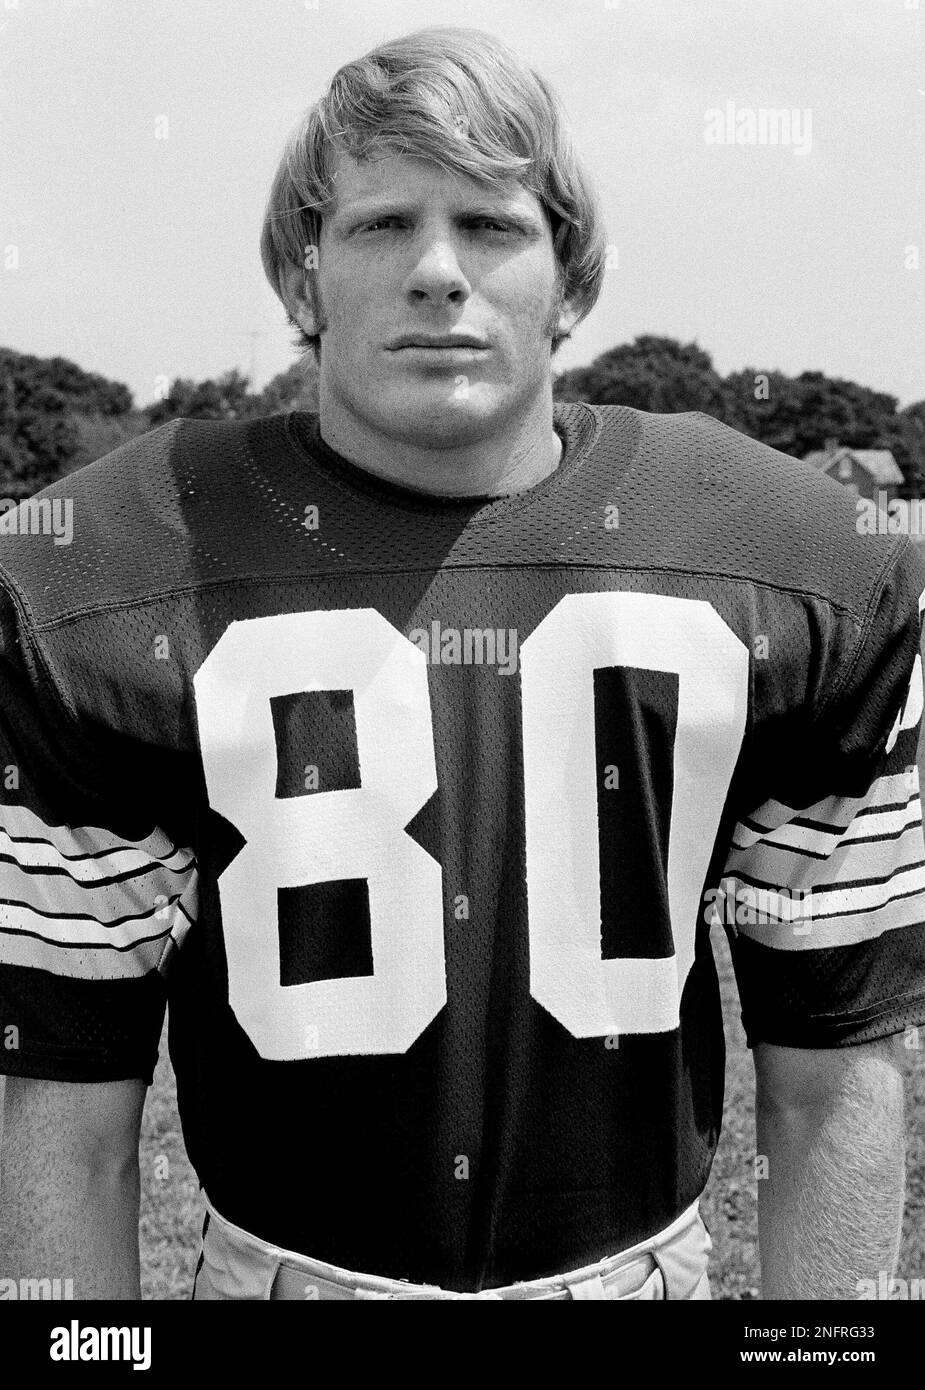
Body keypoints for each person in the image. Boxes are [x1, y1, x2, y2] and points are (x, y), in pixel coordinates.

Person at [1, 25, 923, 1302]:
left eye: (492, 226)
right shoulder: (99, 574)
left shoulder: (795, 566)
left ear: (571, 280)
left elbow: (834, 1077)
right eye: (381, 226)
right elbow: (64, 1107)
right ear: (305, 276)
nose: (439, 272)